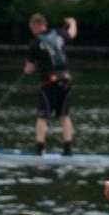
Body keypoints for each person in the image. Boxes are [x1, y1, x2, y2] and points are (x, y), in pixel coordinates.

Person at [23, 13, 77, 155]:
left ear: (35, 25)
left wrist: (28, 69)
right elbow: (72, 33)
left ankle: (39, 149)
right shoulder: (58, 34)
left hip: (49, 82)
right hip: (65, 80)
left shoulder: (35, 42)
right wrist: (72, 22)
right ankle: (67, 149)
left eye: (31, 28)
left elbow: (29, 69)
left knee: (42, 116)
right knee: (64, 115)